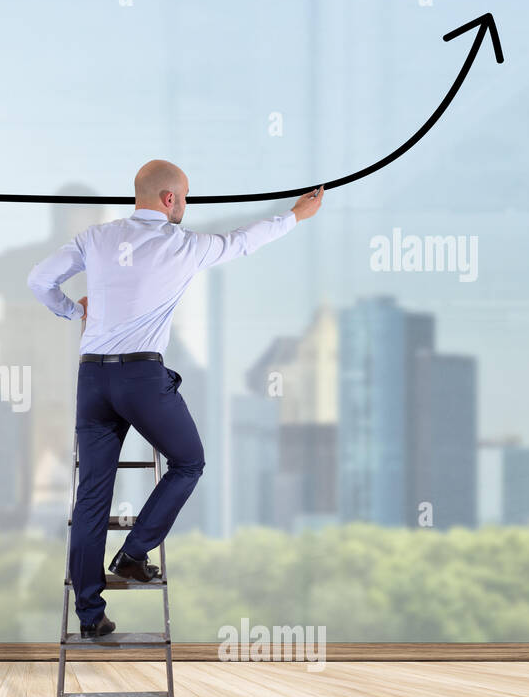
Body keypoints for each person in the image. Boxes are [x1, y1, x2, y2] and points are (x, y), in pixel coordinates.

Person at [27, 160, 324, 637]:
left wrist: (71, 309)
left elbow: (39, 279)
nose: (185, 205)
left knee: (91, 498)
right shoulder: (182, 245)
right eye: (183, 197)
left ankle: (89, 615)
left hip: (92, 379)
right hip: (141, 377)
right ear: (169, 200)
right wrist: (295, 216)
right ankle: (134, 553)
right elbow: (244, 241)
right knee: (189, 462)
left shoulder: (95, 239)